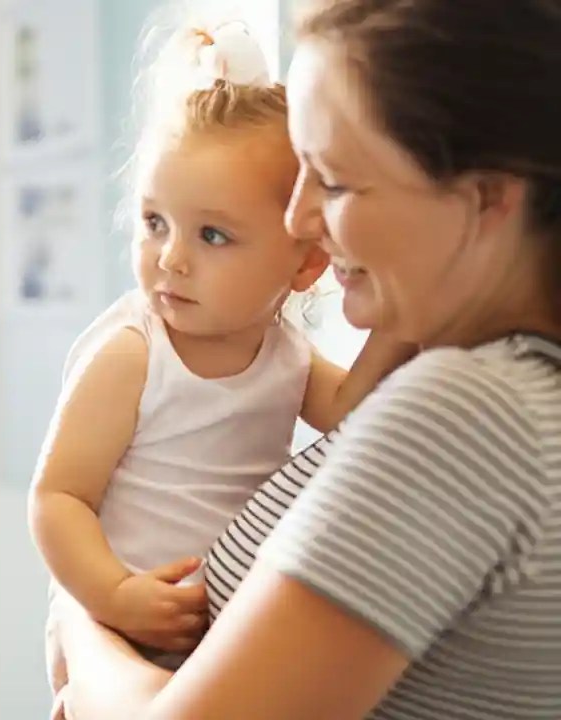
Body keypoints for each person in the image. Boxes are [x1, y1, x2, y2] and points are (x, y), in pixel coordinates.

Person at [53, 1, 561, 718]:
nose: (297, 220)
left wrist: (81, 626)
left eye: (336, 179)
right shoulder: (503, 396)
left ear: (484, 200)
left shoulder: (473, 413)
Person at [27, 20, 406, 714]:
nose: (170, 258)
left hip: (217, 644)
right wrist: (111, 595)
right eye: (153, 222)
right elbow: (58, 498)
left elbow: (358, 405)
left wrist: (401, 306)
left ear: (305, 262)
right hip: (127, 625)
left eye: (212, 235)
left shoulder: (286, 355)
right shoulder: (134, 354)